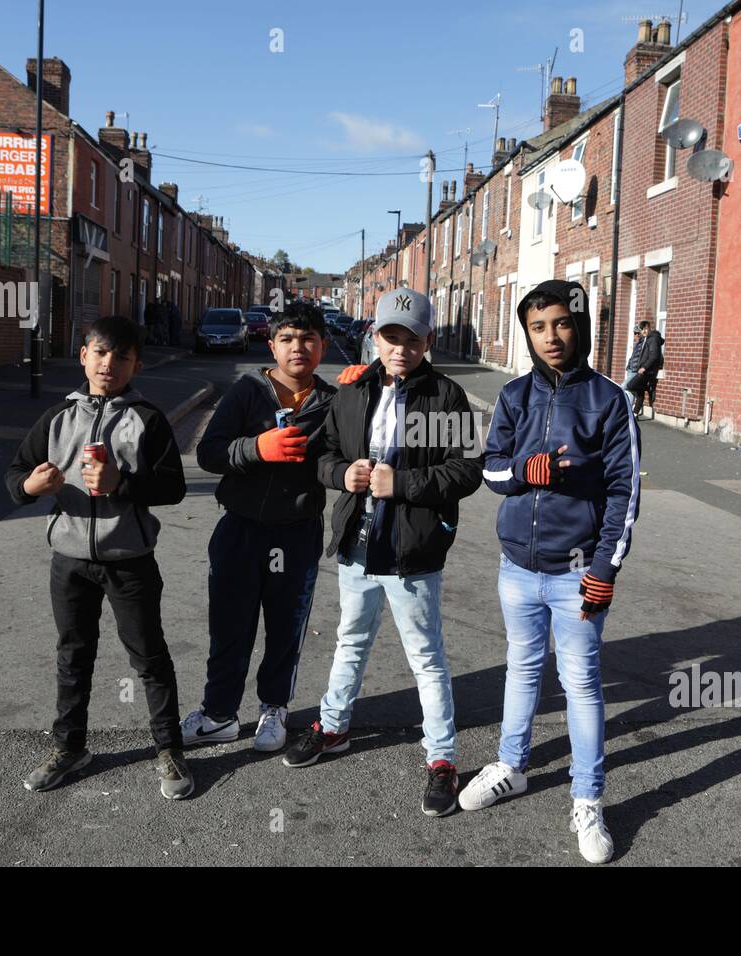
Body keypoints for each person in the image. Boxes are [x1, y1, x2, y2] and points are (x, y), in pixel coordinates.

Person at [282, 288, 483, 819]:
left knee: (426, 658)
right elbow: (321, 454)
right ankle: (334, 727)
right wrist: (340, 475)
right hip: (357, 544)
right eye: (391, 337)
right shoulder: (353, 391)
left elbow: (466, 471)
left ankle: (441, 759)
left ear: (428, 341)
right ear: (375, 337)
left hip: (411, 551)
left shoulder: (445, 397)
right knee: (350, 640)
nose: (400, 348)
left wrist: (406, 483)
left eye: (411, 339)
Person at [461, 279, 640, 863]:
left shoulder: (610, 400)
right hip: (517, 566)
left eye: (561, 323)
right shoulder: (513, 396)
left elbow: (624, 493)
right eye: (538, 327)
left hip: (578, 572)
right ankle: (511, 765)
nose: (551, 337)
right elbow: (489, 472)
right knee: (521, 668)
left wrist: (606, 569)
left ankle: (588, 798)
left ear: (579, 325)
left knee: (582, 684)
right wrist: (522, 473)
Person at [5, 315, 193, 799]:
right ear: (84, 354)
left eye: (122, 356)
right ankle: (70, 747)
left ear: (137, 365)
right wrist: (31, 486)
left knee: (149, 657)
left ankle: (169, 750)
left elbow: (173, 486)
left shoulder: (147, 419)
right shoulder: (56, 418)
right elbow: (16, 475)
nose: (110, 363)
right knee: (73, 656)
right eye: (101, 352)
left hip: (129, 559)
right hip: (68, 560)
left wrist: (121, 485)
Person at [181, 300, 335, 752]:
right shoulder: (247, 392)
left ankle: (275, 709)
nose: (297, 348)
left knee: (285, 628)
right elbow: (210, 452)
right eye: (287, 339)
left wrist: (361, 383)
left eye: (308, 339)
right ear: (271, 346)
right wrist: (257, 448)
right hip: (240, 530)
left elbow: (340, 457)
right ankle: (220, 715)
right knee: (229, 626)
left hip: (296, 533)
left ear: (323, 346)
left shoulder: (331, 402)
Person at [626, 320, 665, 417]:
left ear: (649, 328)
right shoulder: (648, 338)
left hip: (648, 371)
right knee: (640, 392)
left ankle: (649, 387)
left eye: (645, 329)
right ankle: (635, 413)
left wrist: (644, 367)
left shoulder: (653, 339)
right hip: (644, 369)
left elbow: (654, 356)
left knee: (630, 386)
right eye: (642, 330)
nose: (643, 331)